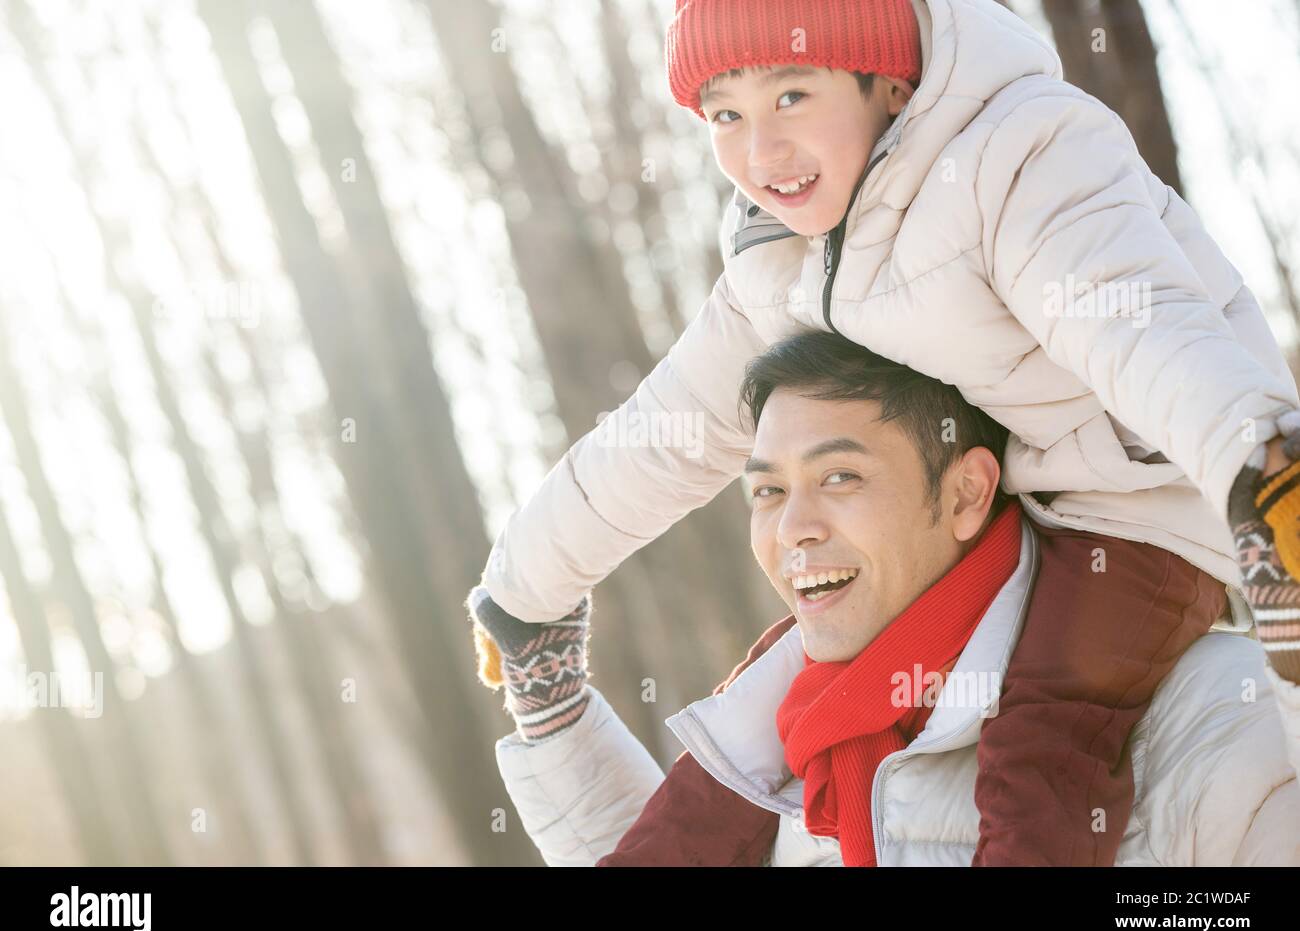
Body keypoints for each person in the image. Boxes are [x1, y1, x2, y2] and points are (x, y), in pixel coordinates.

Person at [468, 0, 1300, 864]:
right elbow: (670, 425)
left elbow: (1143, 327)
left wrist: (1261, 470)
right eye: (726, 115)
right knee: (761, 715)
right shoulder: (781, 246)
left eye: (791, 96)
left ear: (890, 81)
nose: (760, 153)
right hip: (978, 514)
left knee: (1047, 728)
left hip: (1140, 513)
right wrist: (527, 590)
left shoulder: (1016, 153)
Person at [471, 332, 1300, 866]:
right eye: (767, 492)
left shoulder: (1212, 712)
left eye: (841, 477)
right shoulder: (788, 766)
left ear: (968, 494)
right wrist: (552, 712)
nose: (793, 528)